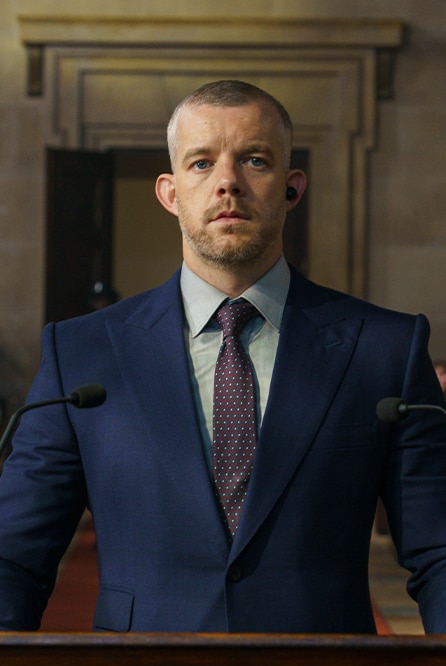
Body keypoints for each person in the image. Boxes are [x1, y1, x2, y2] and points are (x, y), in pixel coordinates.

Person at [0, 80, 446, 634]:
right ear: (170, 193)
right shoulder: (81, 353)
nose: (228, 182)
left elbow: (439, 551)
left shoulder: (385, 349)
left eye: (255, 160)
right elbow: (13, 559)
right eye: (202, 163)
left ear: (292, 188)